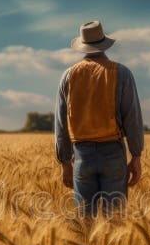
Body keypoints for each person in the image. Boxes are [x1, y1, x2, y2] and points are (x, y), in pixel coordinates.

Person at [55, 20, 144, 217]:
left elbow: (61, 124)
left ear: (83, 45)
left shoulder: (68, 76)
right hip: (113, 153)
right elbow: (133, 118)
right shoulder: (121, 73)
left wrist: (65, 162)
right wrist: (136, 156)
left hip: (82, 156)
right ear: (104, 43)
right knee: (115, 220)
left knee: (85, 222)